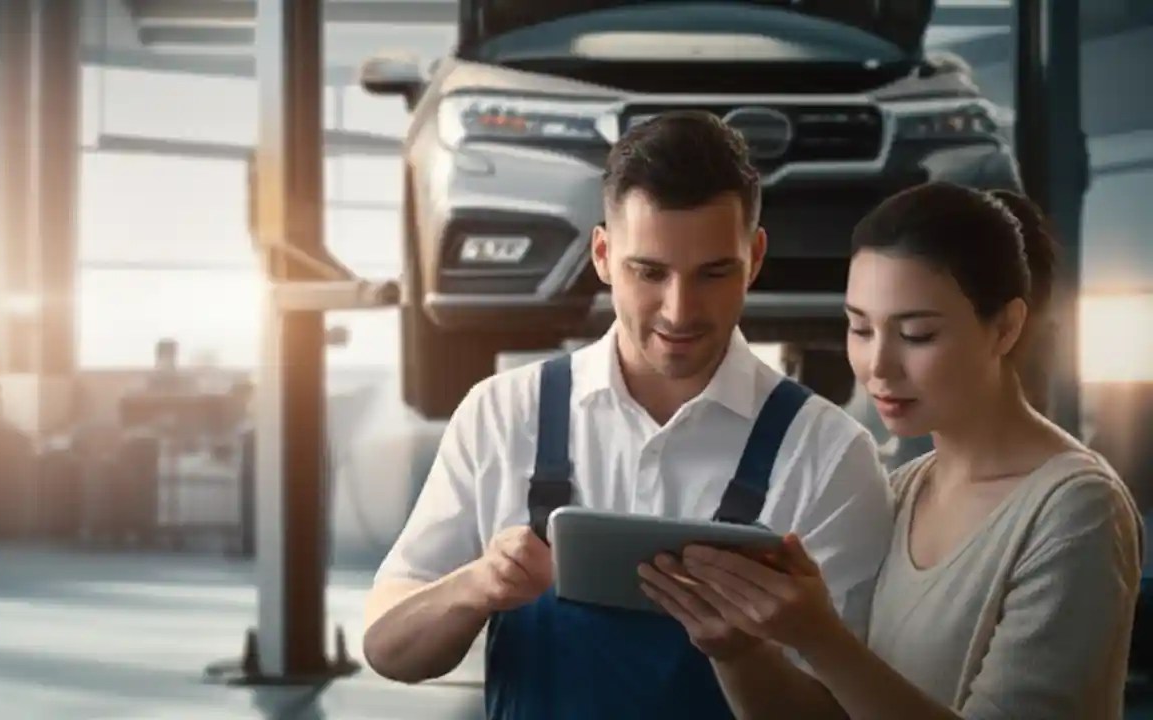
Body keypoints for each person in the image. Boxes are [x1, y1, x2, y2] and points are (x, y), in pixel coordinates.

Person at [362, 110, 895, 718]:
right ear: (603, 254)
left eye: (713, 273)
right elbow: (388, 649)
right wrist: (476, 585)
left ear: (755, 257)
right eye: (649, 272)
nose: (679, 310)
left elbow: (844, 712)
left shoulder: (829, 456)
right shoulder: (503, 415)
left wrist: (743, 654)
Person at [641, 181, 1145, 719]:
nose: (878, 366)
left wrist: (822, 639)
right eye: (860, 328)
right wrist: (741, 650)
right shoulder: (903, 491)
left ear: (1005, 327)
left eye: (917, 334)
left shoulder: (1075, 509)